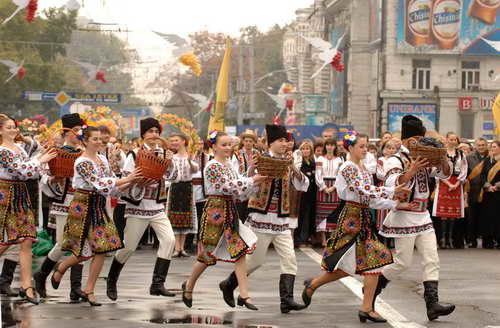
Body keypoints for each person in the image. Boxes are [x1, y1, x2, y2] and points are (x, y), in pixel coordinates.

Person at [302, 131, 407, 323]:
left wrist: (394, 204)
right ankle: (362, 306)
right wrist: (392, 190)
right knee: (366, 262)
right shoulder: (348, 167)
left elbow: (369, 200)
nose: (365, 149)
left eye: (366, 146)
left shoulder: (364, 168)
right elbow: (363, 189)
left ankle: (360, 305)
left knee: (366, 263)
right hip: (351, 219)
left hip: (363, 218)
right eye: (361, 146)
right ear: (350, 148)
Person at [219, 124, 309, 314]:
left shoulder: (288, 162)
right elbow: (246, 186)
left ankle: (287, 300)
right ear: (271, 143)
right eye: (280, 141)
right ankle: (229, 284)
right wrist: (255, 175)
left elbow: (303, 185)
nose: (284, 144)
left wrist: (292, 166)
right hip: (261, 217)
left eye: (286, 141)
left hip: (281, 220)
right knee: (255, 261)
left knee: (290, 259)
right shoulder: (260, 160)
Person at [50, 126, 140, 306]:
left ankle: (89, 289)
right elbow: (100, 183)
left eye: (100, 139)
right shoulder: (82, 161)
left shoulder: (102, 159)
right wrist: (127, 179)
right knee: (83, 253)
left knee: (103, 248)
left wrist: (130, 183)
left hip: (98, 204)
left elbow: (110, 187)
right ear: (85, 141)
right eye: (95, 139)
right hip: (82, 206)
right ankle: (62, 267)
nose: (99, 142)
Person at [378, 115, 455, 321]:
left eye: (420, 139)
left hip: (423, 216)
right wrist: (412, 168)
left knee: (432, 259)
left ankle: (432, 304)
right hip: (404, 215)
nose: (418, 143)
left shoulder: (425, 154)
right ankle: (373, 288)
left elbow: (445, 174)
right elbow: (392, 184)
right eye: (415, 139)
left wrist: (442, 159)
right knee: (403, 262)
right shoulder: (396, 159)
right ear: (405, 141)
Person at [181, 131, 266, 310]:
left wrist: (251, 173)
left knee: (240, 252)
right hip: (215, 212)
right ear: (213, 147)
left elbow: (239, 186)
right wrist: (253, 179)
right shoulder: (212, 166)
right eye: (224, 144)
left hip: (230, 210)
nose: (228, 148)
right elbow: (228, 187)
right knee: (207, 256)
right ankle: (189, 285)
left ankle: (244, 295)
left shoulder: (228, 164)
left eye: (229, 144)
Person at [106, 118, 178, 301]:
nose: (154, 134)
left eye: (157, 131)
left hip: (157, 206)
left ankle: (157, 284)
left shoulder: (163, 153)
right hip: (138, 206)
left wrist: (170, 163)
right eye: (150, 131)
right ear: (143, 134)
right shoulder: (135, 154)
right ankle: (112, 279)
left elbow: (174, 177)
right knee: (128, 247)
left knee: (169, 240)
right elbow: (126, 178)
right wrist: (137, 180)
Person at [0, 114, 57, 304]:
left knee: (26, 241)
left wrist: (41, 161)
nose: (14, 130)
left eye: (14, 126)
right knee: (6, 241)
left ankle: (27, 287)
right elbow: (23, 170)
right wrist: (41, 160)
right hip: (6, 195)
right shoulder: (3, 150)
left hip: (21, 194)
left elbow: (31, 172)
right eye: (9, 127)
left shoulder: (19, 148)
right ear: (0, 130)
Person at [35, 113, 88, 302]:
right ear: (66, 132)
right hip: (64, 202)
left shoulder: (85, 152)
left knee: (79, 244)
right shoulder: (56, 152)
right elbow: (43, 176)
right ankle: (41, 275)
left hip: (82, 201)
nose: (79, 134)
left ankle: (76, 288)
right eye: (76, 130)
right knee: (63, 243)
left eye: (81, 130)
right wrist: (54, 179)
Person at [432, 132, 467, 249]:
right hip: (443, 182)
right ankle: (442, 238)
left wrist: (457, 183)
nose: (453, 141)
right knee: (443, 214)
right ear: (446, 140)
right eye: (451, 139)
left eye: (455, 139)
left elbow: (464, 169)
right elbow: (437, 169)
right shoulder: (441, 153)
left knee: (453, 214)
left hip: (456, 182)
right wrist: (447, 182)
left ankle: (450, 239)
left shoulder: (461, 154)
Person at [168, 133, 199, 257]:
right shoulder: (172, 157)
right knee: (174, 216)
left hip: (187, 187)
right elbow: (169, 172)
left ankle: (182, 248)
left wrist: (190, 161)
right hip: (175, 187)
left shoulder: (189, 156)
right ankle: (177, 248)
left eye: (176, 140)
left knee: (187, 216)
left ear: (183, 141)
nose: (174, 142)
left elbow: (195, 170)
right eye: (172, 141)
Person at [471, 140, 500, 248]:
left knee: (497, 217)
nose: (493, 149)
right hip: (488, 193)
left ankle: (498, 239)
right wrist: (487, 186)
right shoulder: (488, 160)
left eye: (495, 147)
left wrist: (496, 186)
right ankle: (488, 240)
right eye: (491, 147)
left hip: (498, 193)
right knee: (487, 217)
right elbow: (482, 175)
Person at [315, 138, 343, 246]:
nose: (330, 147)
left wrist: (334, 187)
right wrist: (323, 187)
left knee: (334, 211)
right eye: (328, 145)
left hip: (335, 186)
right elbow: (318, 175)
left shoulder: (339, 160)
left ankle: (332, 237)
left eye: (332, 145)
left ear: (335, 147)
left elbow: (340, 175)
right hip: (323, 185)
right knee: (321, 212)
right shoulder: (320, 159)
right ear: (325, 146)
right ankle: (323, 238)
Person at [466, 138, 489, 248]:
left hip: (487, 191)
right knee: (472, 217)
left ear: (486, 146)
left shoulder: (490, 157)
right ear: (475, 146)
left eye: (483, 145)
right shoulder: (469, 157)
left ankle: (486, 240)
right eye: (479, 145)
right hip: (473, 191)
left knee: (485, 217)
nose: (481, 147)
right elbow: (466, 174)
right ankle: (472, 240)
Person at [294, 140, 317, 247]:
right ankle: (298, 238)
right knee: (301, 214)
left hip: (312, 191)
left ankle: (308, 237)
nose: (305, 150)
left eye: (307, 148)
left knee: (311, 214)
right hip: (302, 191)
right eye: (303, 148)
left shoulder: (313, 161)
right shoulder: (299, 161)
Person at [234, 129, 260, 223]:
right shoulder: (237, 154)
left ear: (253, 142)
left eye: (250, 141)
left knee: (251, 214)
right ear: (243, 142)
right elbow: (235, 171)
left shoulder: (257, 153)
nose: (248, 143)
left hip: (254, 187)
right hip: (242, 186)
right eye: (246, 141)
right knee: (240, 213)